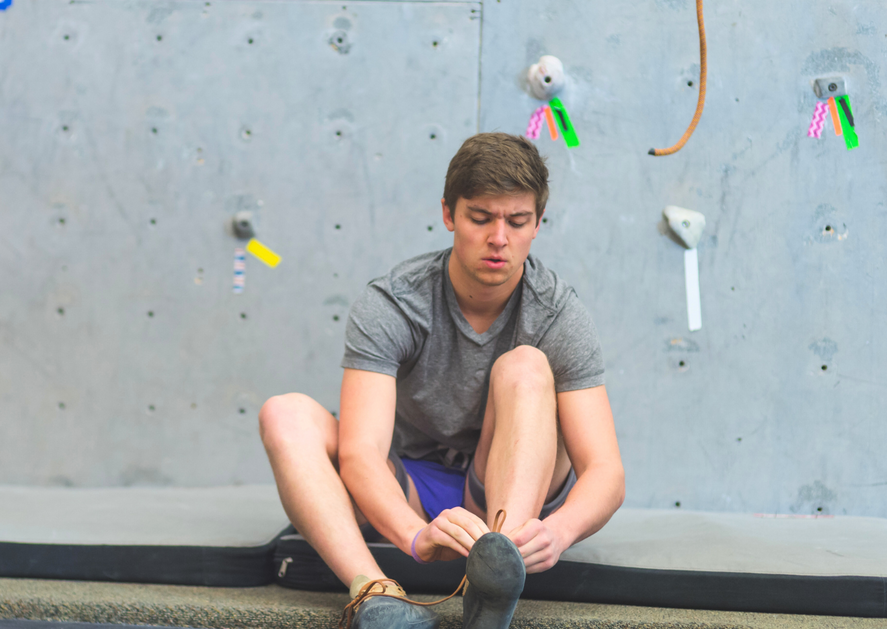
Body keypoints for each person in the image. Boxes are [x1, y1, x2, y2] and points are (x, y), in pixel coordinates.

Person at [259, 133, 625, 628]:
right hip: (408, 487)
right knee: (284, 413)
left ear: (536, 224)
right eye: (480, 218)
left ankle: (494, 576)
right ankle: (377, 594)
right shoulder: (393, 303)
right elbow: (361, 455)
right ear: (449, 215)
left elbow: (604, 470)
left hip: (508, 493)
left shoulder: (558, 313)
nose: (499, 238)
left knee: (526, 366)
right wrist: (414, 536)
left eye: (516, 221)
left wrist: (558, 532)